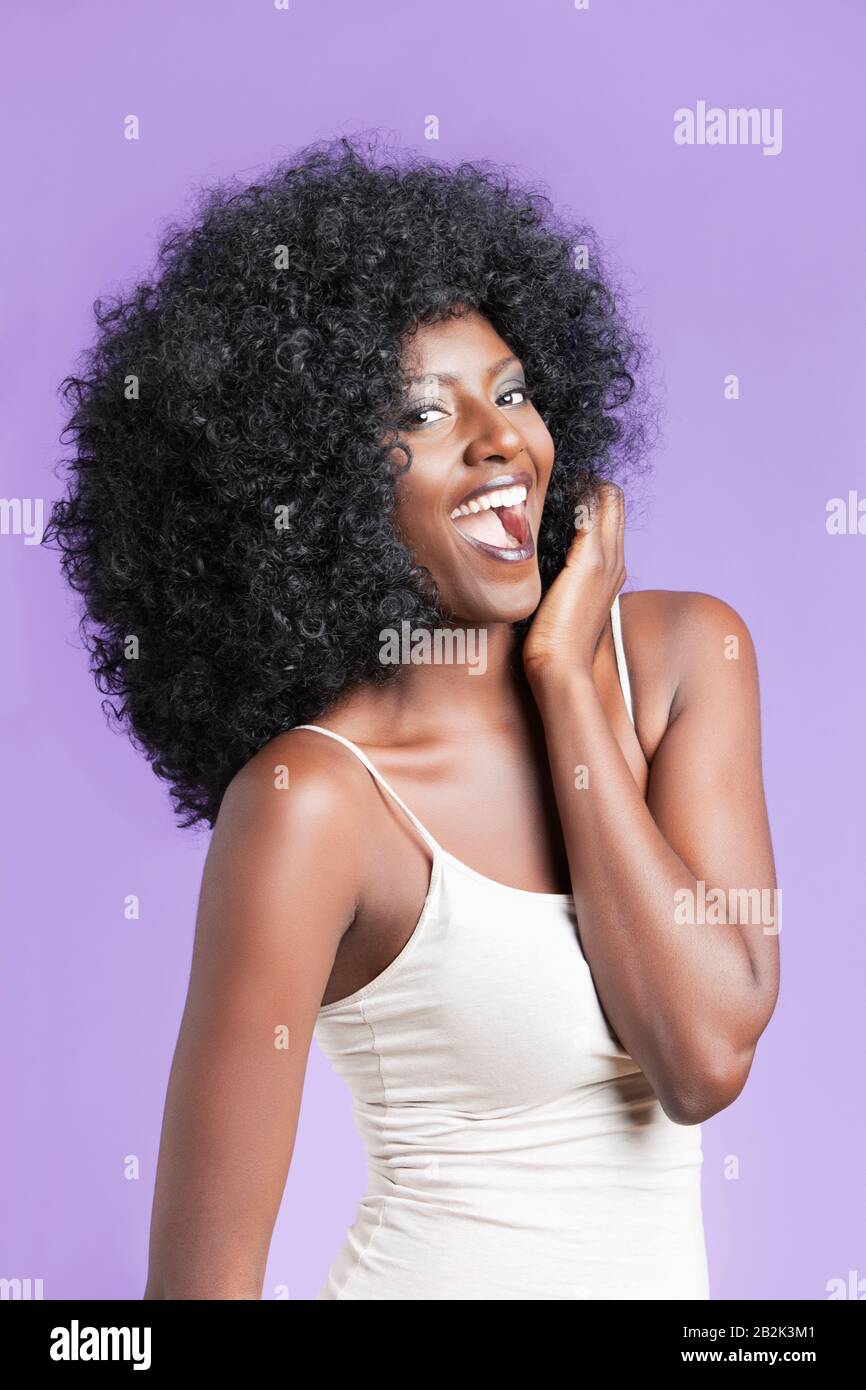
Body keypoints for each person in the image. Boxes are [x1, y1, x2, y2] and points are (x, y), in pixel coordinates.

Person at [44, 133, 779, 1300]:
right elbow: (199, 1290)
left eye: (511, 391)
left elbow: (703, 1050)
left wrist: (559, 679)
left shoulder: (684, 658)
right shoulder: (312, 803)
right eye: (423, 417)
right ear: (319, 483)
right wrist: (555, 666)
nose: (500, 442)